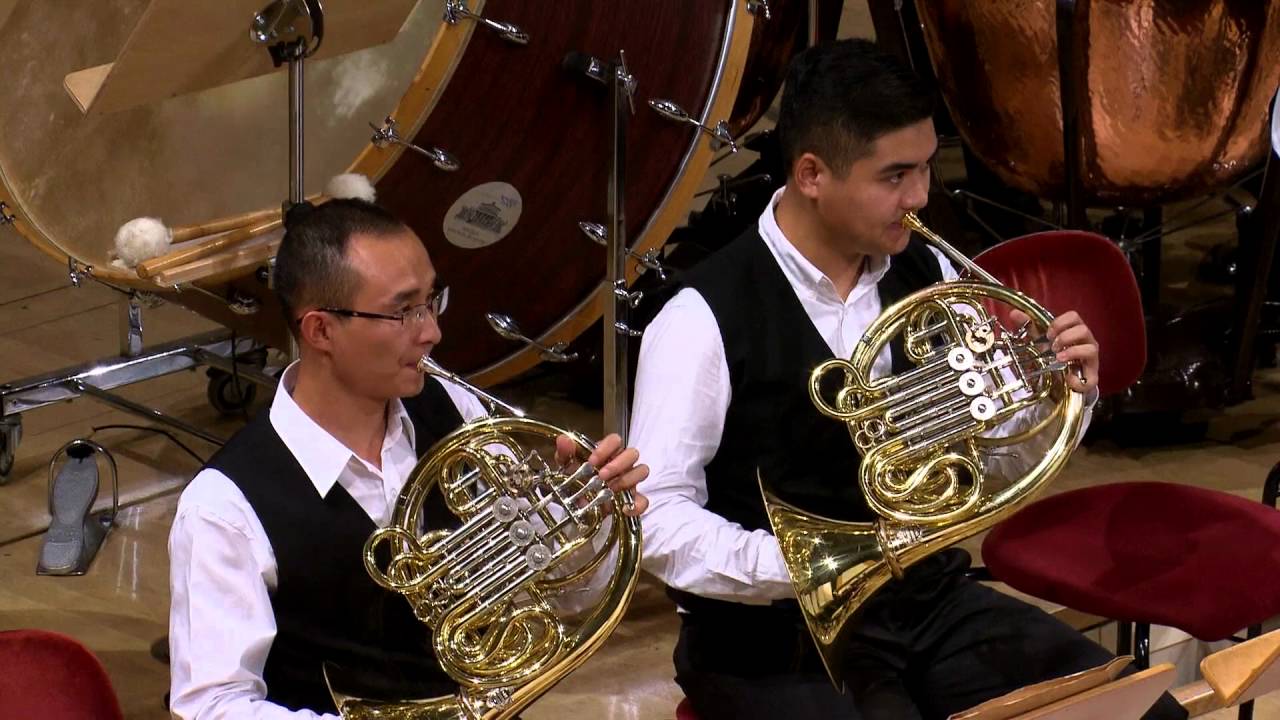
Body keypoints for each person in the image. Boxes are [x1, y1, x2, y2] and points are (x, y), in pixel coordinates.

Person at [630, 39, 1186, 720]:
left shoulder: (929, 273)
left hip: (924, 602)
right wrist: (804, 568)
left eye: (925, 168)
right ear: (811, 174)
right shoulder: (698, 319)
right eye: (895, 176)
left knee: (1134, 711)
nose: (919, 197)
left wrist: (1059, 394)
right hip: (772, 639)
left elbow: (991, 453)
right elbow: (654, 518)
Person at [168, 199, 649, 719]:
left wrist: (583, 522)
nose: (431, 332)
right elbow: (211, 708)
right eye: (403, 311)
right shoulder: (224, 507)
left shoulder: (455, 412)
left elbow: (556, 599)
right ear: (321, 331)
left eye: (431, 301)